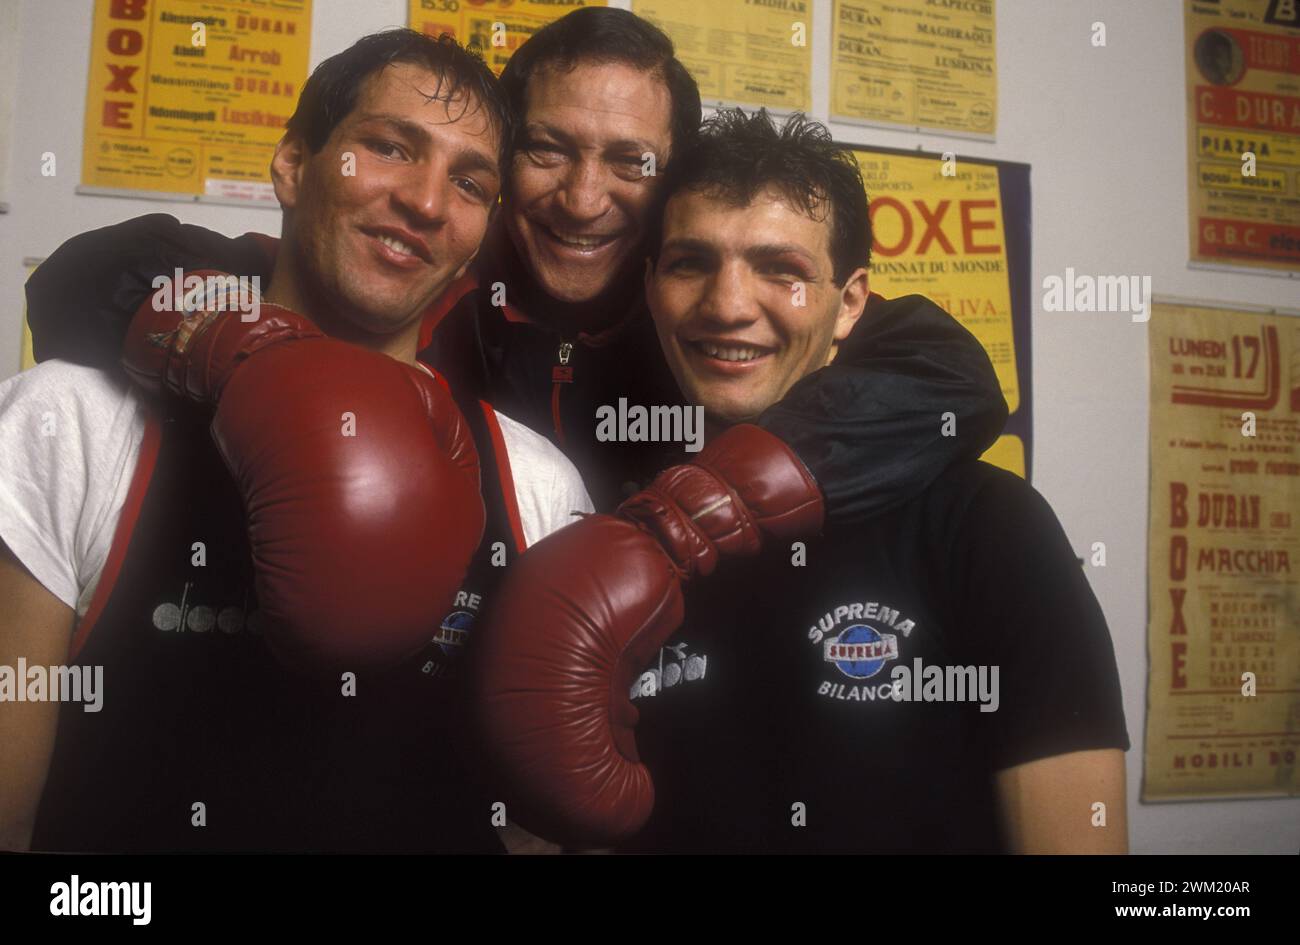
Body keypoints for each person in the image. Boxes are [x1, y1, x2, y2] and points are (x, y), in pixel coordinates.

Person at [25, 7, 1007, 529]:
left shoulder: (716, 318)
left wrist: (707, 513)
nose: (583, 199)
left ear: (675, 184)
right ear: (498, 167)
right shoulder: (415, 275)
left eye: (631, 162)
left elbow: (951, 378)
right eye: (546, 150)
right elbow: (88, 275)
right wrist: (223, 341)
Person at [474, 110, 1131, 854]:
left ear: (850, 302)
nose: (727, 305)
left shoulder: (990, 524)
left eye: (780, 270)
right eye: (691, 262)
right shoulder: (619, 532)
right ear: (651, 285)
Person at [0, 30, 590, 854]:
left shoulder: (535, 481)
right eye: (389, 146)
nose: (425, 201)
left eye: (468, 181)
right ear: (292, 165)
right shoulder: (68, 421)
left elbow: (528, 831)